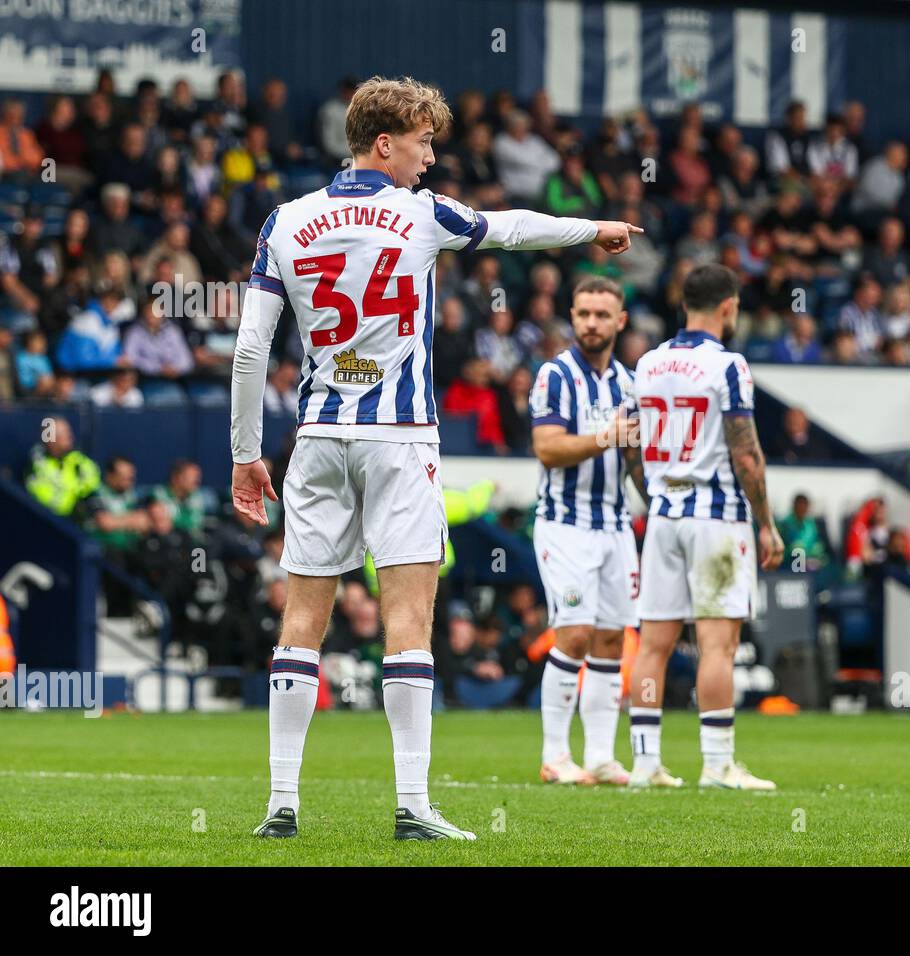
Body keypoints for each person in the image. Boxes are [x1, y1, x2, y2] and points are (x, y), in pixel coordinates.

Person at [230, 75, 642, 842]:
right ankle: (412, 806)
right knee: (408, 616)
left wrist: (245, 455)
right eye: (422, 143)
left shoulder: (285, 222)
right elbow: (511, 229)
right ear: (384, 143)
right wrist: (592, 229)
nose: (428, 159)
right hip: (402, 437)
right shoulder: (420, 215)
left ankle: (281, 804)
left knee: (302, 618)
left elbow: (252, 346)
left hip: (317, 437)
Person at [629, 264, 784, 791]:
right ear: (728, 306)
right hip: (716, 521)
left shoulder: (647, 363)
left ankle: (645, 764)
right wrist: (766, 523)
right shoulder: (728, 364)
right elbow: (746, 453)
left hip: (663, 519)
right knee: (717, 645)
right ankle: (717, 765)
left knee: (653, 645)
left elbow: (630, 443)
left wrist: (651, 495)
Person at [530, 276, 647, 786]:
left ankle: (600, 754)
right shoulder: (554, 376)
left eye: (602, 315)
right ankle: (556, 755)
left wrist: (660, 499)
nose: (592, 323)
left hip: (616, 526)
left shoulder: (628, 382)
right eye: (583, 314)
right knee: (574, 634)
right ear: (572, 317)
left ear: (620, 321)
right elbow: (548, 448)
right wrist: (607, 436)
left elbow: (634, 457)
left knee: (610, 640)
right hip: (565, 526)